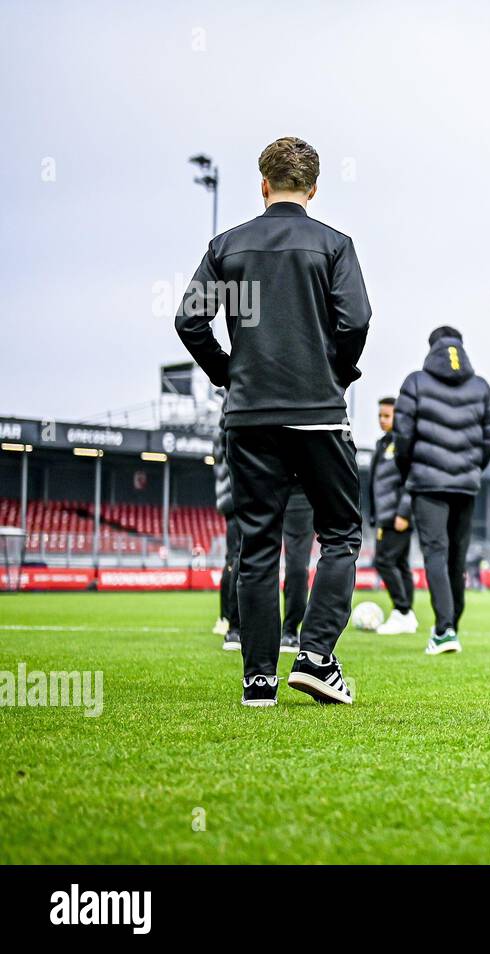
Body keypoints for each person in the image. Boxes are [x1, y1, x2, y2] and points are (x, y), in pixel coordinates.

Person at [176, 136, 371, 707]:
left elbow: (190, 321)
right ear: (313, 189)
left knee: (256, 545)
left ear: (263, 185)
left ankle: (258, 679)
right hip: (316, 414)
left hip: (250, 415)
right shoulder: (335, 246)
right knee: (340, 533)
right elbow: (355, 319)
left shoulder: (227, 246)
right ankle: (315, 658)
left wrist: (228, 374)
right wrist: (335, 371)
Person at [394, 326, 490, 656]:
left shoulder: (414, 382)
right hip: (466, 485)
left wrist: (409, 470)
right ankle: (452, 625)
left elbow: (402, 435)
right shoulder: (481, 386)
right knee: (457, 557)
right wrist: (471, 469)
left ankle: (444, 629)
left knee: (436, 553)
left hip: (427, 485)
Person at [369, 396, 417, 634]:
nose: (382, 420)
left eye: (387, 415)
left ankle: (402, 611)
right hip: (384, 515)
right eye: (380, 415)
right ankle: (408, 615)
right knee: (400, 563)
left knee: (384, 561)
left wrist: (404, 512)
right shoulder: (382, 443)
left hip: (397, 516)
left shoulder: (405, 443)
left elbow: (412, 480)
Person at [212, 400, 241, 651]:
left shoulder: (223, 420)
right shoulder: (232, 413)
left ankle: (227, 619)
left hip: (229, 495)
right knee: (237, 558)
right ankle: (232, 623)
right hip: (237, 494)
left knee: (233, 558)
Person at [279, 486, 314, 653]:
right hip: (298, 488)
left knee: (256, 558)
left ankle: (237, 630)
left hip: (260, 482)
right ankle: (289, 632)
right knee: (297, 562)